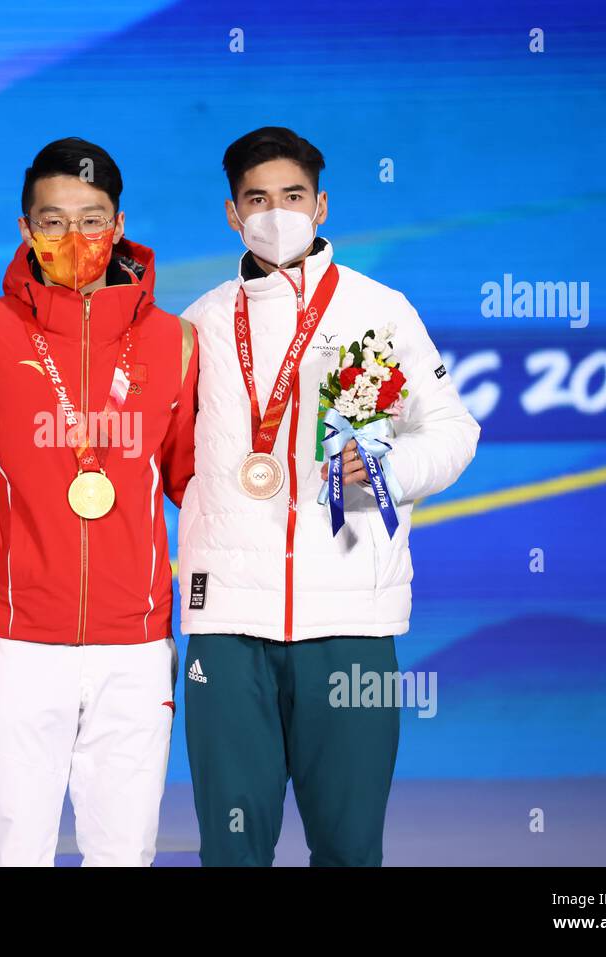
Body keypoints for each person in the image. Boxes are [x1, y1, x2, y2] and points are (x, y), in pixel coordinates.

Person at [177, 127, 480, 866]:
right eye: (257, 199)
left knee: (348, 848)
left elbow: (453, 432)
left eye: (291, 196)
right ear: (230, 213)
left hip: (350, 617)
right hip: (228, 624)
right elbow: (164, 454)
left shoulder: (381, 309)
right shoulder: (201, 322)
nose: (274, 213)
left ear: (321, 205)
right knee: (232, 849)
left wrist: (384, 471)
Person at [0, 137, 198, 866]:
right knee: (14, 845)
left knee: (123, 849)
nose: (74, 238)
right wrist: (22, 537)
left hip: (135, 639)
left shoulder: (176, 342)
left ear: (119, 226)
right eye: (52, 221)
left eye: (92, 219)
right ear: (26, 229)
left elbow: (186, 480)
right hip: (18, 637)